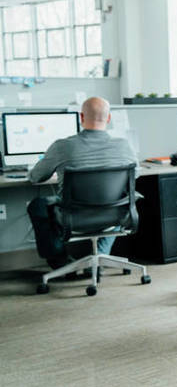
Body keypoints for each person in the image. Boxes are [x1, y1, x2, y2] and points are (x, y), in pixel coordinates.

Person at [27, 96, 137, 268]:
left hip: (75, 218)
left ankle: (60, 261)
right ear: (108, 118)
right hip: (115, 216)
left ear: (81, 117)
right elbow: (133, 176)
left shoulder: (62, 146)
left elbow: (35, 177)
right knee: (121, 199)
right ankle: (101, 255)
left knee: (38, 204)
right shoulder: (124, 146)